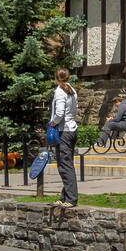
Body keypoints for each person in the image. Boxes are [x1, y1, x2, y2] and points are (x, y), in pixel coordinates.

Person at [48, 68, 80, 207]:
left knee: (64, 166)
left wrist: (53, 122)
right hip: (72, 129)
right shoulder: (71, 90)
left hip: (63, 131)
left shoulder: (60, 91)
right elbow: (75, 109)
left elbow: (60, 112)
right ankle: (65, 196)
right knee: (66, 164)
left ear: (56, 78)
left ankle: (71, 198)